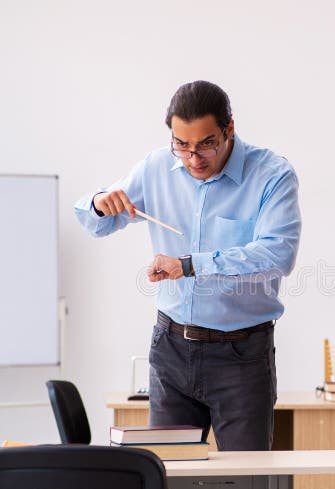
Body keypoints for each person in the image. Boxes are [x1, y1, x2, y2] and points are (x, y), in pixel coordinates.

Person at [74, 80, 301, 451]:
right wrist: (101, 202)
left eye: (206, 144)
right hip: (171, 350)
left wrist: (189, 265)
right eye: (182, 145)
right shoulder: (156, 167)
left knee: (244, 486)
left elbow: (278, 254)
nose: (193, 159)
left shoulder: (272, 175)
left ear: (229, 129)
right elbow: (93, 220)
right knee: (168, 483)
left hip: (242, 357)